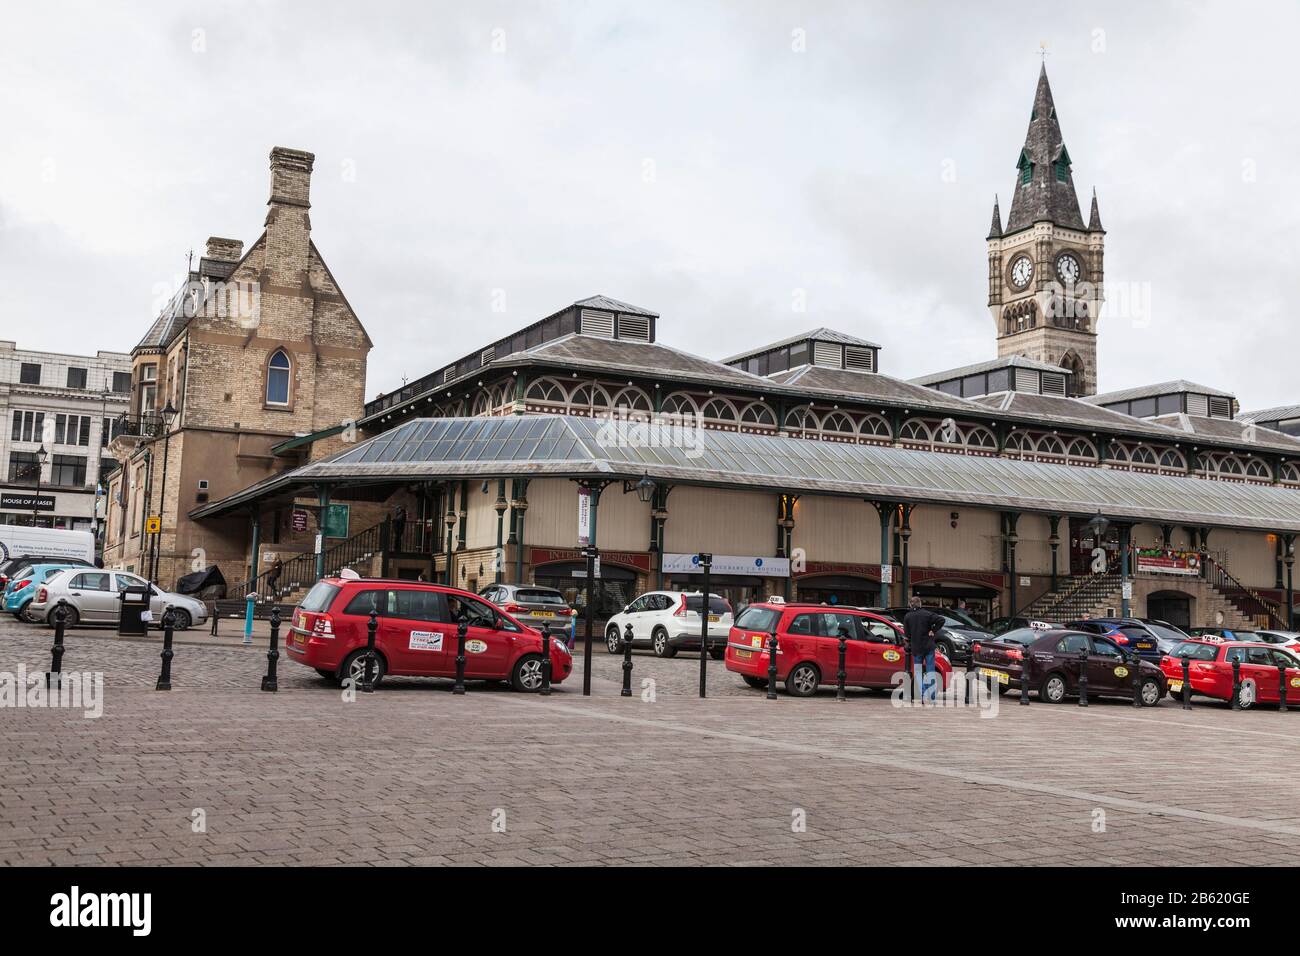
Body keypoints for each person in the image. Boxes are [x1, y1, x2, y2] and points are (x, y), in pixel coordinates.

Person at [902, 595, 946, 705]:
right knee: (931, 671)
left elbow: (907, 635)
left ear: (911, 605)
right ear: (920, 604)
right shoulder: (927, 614)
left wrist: (909, 642)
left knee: (918, 672)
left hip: (916, 648)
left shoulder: (908, 617)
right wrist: (933, 630)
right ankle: (931, 697)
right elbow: (941, 619)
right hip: (929, 647)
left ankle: (921, 695)